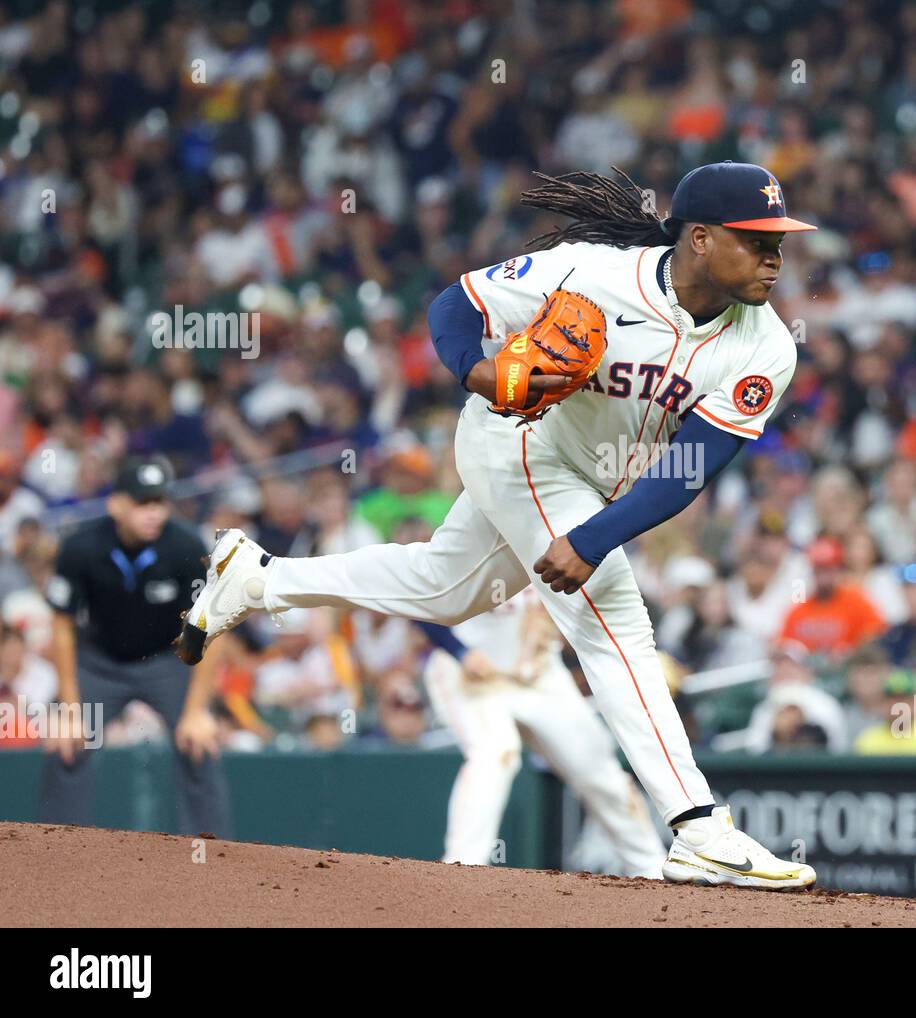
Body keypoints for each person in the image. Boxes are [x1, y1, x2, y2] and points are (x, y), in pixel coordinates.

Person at [178, 162, 817, 889]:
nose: (775, 257)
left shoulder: (766, 346)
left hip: (590, 483)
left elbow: (686, 469)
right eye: (757, 240)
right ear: (699, 239)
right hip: (517, 441)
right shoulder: (592, 273)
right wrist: (475, 372)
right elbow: (458, 304)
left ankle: (257, 579)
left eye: (781, 242)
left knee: (444, 589)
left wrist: (592, 536)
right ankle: (697, 827)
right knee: (614, 621)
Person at [40, 456, 230, 835]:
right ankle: (54, 853)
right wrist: (70, 707)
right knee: (68, 742)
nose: (153, 512)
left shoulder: (184, 546)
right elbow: (61, 628)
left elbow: (212, 627)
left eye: (159, 502)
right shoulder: (82, 548)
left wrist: (197, 710)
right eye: (143, 502)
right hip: (100, 663)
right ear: (116, 504)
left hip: (167, 661)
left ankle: (213, 855)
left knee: (198, 742)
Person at [420, 589, 664, 877]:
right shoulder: (472, 544)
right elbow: (417, 598)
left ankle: (651, 867)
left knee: (598, 769)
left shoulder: (564, 545)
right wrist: (458, 650)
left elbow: (594, 605)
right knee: (496, 754)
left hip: (540, 672)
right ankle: (462, 866)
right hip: (471, 674)